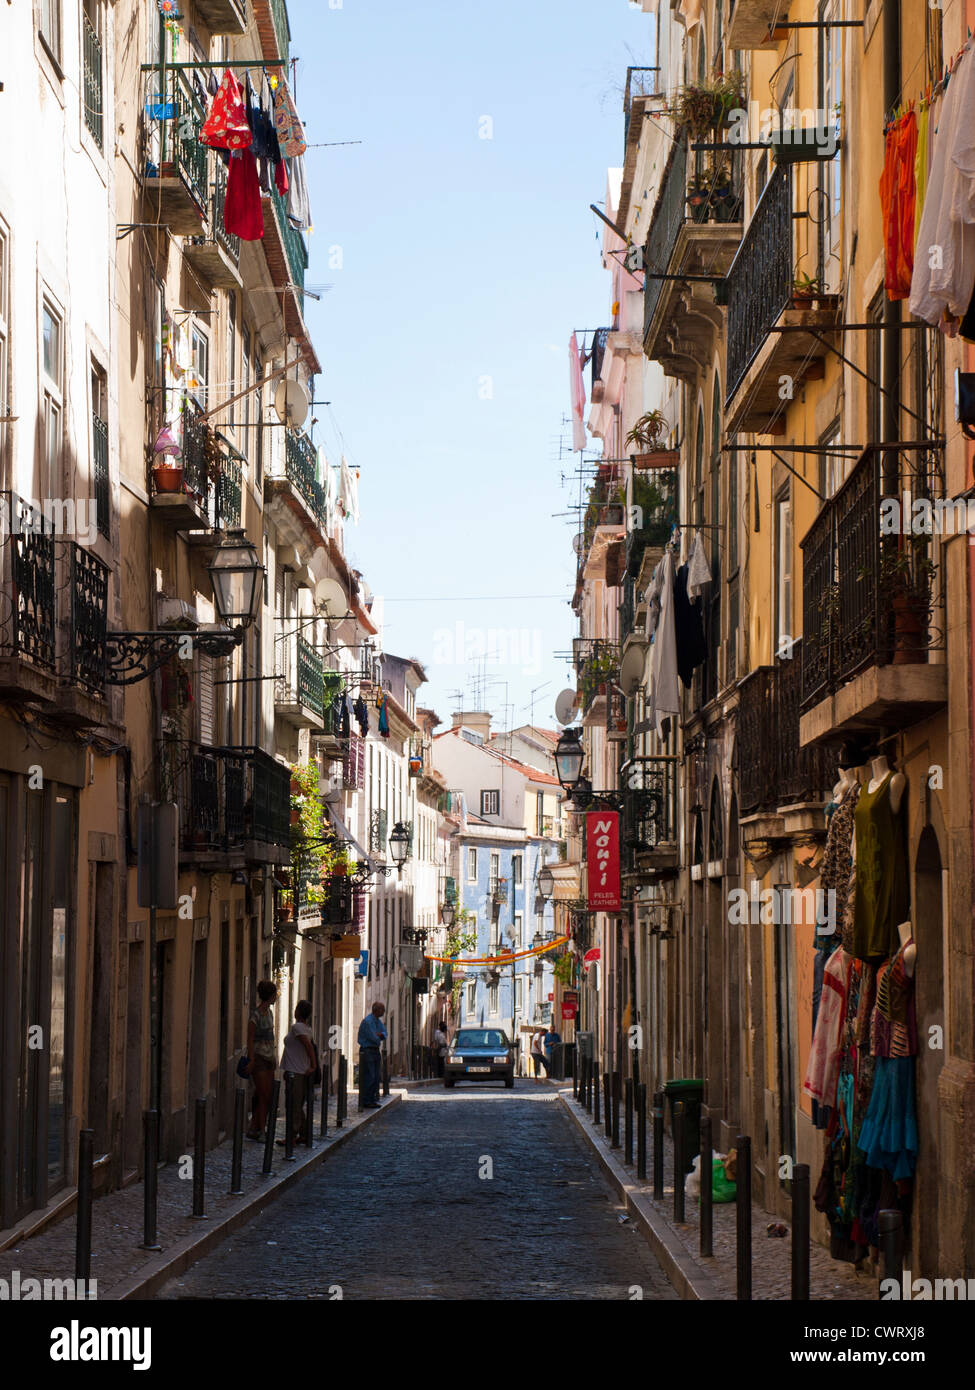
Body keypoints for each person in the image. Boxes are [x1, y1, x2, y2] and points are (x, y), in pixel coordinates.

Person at [245, 979, 278, 1138]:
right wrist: (251, 1059)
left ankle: (254, 1128)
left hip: (269, 1058)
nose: (276, 997)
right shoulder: (255, 1015)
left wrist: (274, 1058)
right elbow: (250, 1038)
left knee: (265, 1094)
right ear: (270, 996)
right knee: (264, 1094)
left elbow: (271, 1038)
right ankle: (262, 1130)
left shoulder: (270, 1013)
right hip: (258, 1058)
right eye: (275, 994)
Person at [280, 999, 316, 1142]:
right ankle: (304, 1133)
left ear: (298, 1011)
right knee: (297, 1105)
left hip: (296, 1072)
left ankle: (292, 1137)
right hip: (297, 1070)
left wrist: (313, 1065)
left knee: (293, 1105)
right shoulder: (306, 1028)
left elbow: (309, 1047)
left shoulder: (297, 1028)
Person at [357, 1001, 387, 1109]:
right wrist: (379, 1036)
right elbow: (373, 1038)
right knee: (370, 1076)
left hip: (375, 1051)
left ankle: (372, 1099)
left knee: (376, 1076)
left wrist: (380, 1035)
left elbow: (385, 1033)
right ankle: (366, 1100)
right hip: (368, 1050)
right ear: (377, 1010)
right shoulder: (368, 1022)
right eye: (382, 1010)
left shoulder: (378, 1022)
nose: (384, 1012)